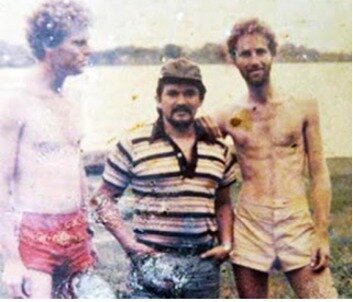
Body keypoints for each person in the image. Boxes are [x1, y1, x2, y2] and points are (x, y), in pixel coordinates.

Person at [202, 18, 337, 298]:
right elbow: (183, 131)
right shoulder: (230, 115)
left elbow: (319, 173)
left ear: (273, 54)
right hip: (250, 223)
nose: (254, 60)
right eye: (245, 53)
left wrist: (321, 233)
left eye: (261, 51)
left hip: (296, 220)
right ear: (234, 60)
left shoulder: (302, 107)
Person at [90, 57, 238, 298]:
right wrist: (131, 246)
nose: (181, 101)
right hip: (152, 264)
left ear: (200, 100)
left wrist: (227, 244)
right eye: (172, 93)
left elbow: (223, 202)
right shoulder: (134, 143)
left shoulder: (217, 148)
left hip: (203, 265)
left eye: (190, 93)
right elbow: (101, 200)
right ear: (159, 100)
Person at [0, 1, 113, 298]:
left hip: (75, 233)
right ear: (50, 45)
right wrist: (11, 259)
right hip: (34, 239)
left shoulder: (71, 100)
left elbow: (74, 166)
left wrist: (87, 234)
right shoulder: (16, 102)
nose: (88, 50)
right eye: (78, 43)